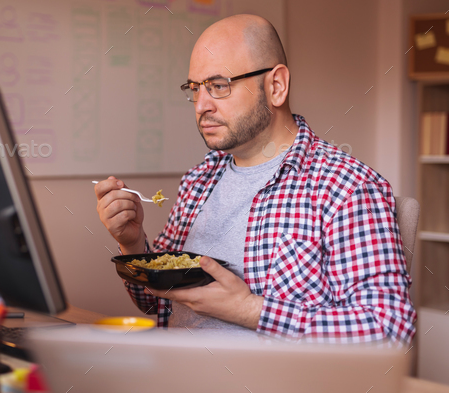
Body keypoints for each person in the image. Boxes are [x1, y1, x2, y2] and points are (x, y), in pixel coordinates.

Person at [94, 14, 416, 344]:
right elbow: (155, 302)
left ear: (276, 86)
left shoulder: (346, 188)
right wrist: (132, 243)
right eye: (195, 89)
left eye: (219, 86)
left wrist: (249, 309)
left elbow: (389, 329)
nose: (201, 105)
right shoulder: (197, 181)